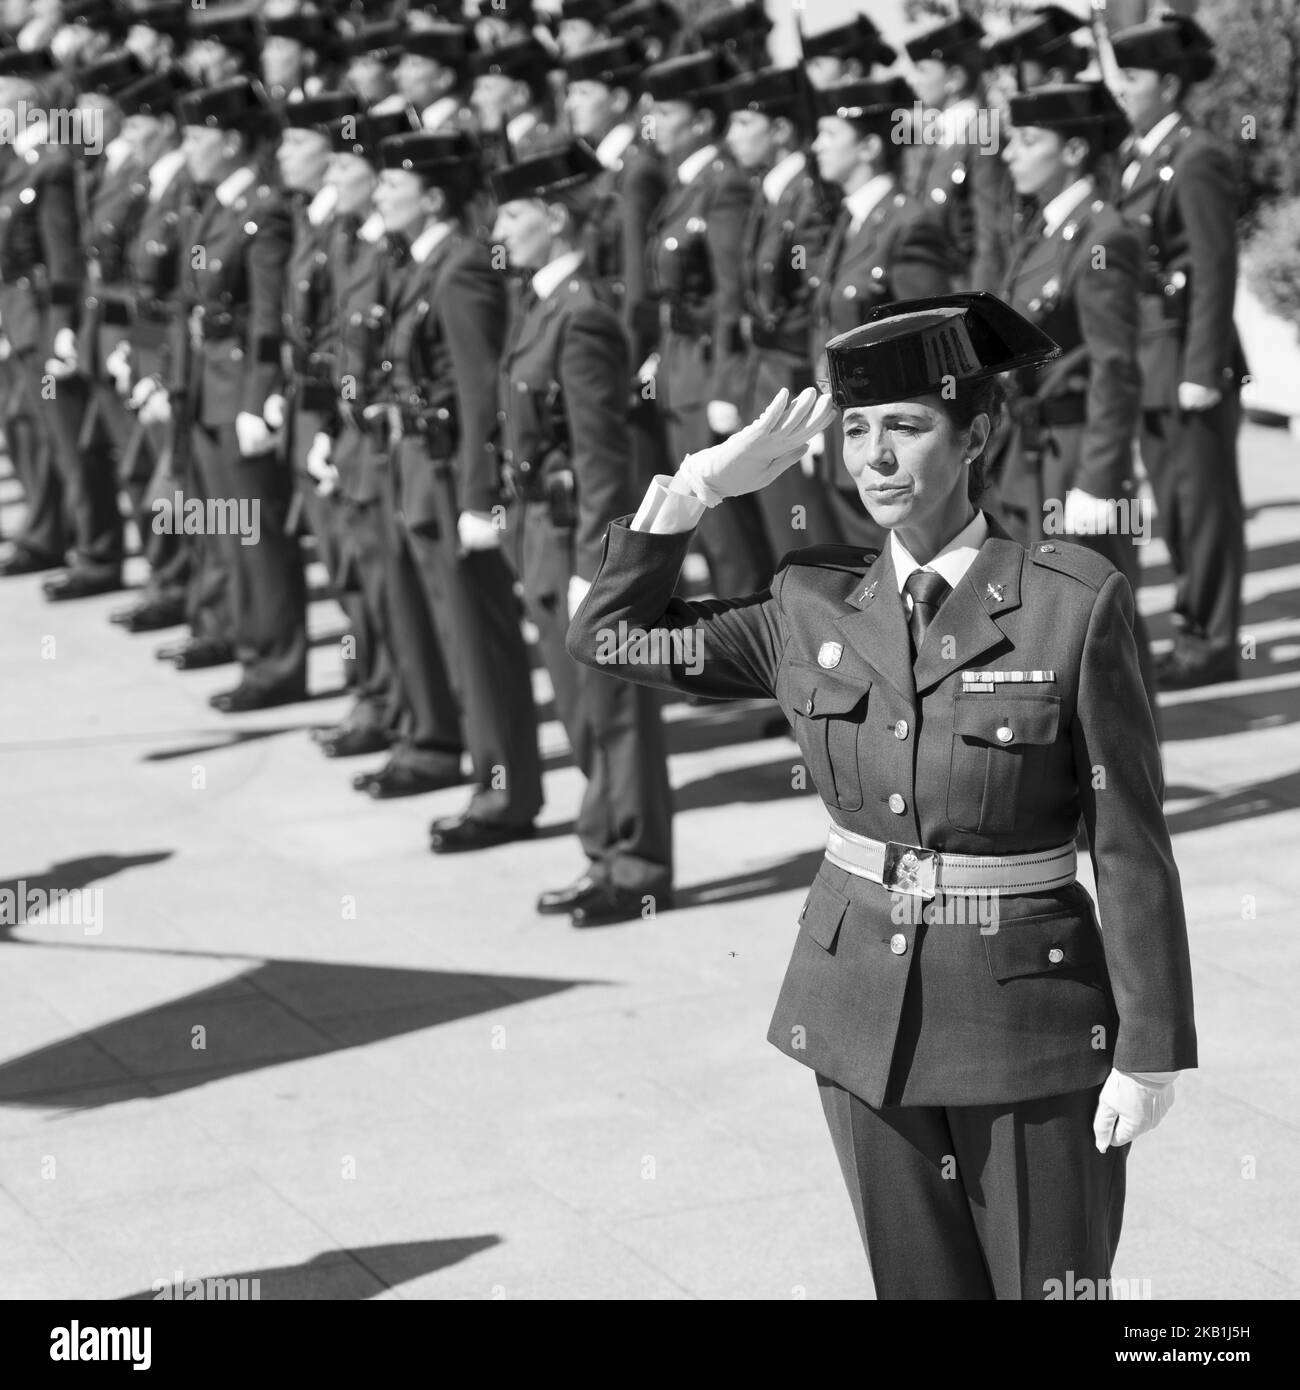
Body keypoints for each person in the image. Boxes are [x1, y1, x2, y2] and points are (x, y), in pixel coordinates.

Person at [566, 292, 1197, 1298]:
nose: (876, 459)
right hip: (859, 1014)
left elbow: (1127, 838)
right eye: (856, 432)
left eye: (905, 427)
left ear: (976, 434)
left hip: (1027, 1026)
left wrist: (1150, 1046)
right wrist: (692, 490)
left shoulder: (1069, 603)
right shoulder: (808, 600)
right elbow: (611, 638)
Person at [487, 140, 673, 924]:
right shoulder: (541, 300)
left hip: (575, 537)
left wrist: (600, 564)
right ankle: (604, 853)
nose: (500, 225)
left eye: (515, 212)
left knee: (611, 709)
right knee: (578, 710)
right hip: (538, 529)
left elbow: (604, 453)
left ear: (556, 220)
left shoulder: (583, 314)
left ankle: (636, 867)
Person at [995, 80, 1158, 711]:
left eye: (1028, 140)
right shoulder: (1044, 231)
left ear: (1073, 151)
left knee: (1102, 638)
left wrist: (1099, 479)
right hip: (1030, 457)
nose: (1010, 152)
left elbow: (1118, 368)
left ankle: (1133, 803)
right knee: (1046, 637)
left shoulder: (1101, 236)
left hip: (1075, 462)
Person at [1111, 11, 1245, 690]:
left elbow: (1216, 268)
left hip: (1188, 364)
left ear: (1167, 83)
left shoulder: (1196, 156)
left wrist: (1203, 369)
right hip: (1152, 360)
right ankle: (1196, 633)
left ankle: (1212, 644)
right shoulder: (1139, 156)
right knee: (1176, 506)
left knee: (1203, 510)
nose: (1122, 88)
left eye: (1131, 77)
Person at [642, 49, 771, 594]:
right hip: (682, 369)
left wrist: (723, 383)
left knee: (729, 539)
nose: (653, 124)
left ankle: (750, 675)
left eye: (666, 112)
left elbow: (730, 290)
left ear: (699, 120)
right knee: (710, 537)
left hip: (707, 372)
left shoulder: (724, 183)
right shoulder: (686, 182)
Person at [808, 76, 951, 549]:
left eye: (829, 134)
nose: (816, 145)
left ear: (869, 145)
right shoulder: (851, 219)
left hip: (890, 445)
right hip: (847, 430)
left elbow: (928, 347)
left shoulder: (907, 223)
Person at [722, 63, 838, 554]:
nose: (732, 136)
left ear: (782, 129)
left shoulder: (807, 198)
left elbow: (814, 303)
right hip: (766, 375)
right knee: (783, 535)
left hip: (792, 379)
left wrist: (812, 397)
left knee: (811, 537)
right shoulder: (772, 194)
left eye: (745, 123)